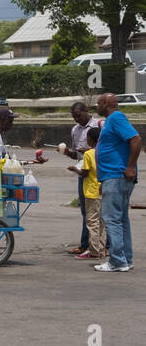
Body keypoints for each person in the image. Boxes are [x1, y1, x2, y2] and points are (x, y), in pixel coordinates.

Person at [93, 92, 140, 272]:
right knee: (120, 219)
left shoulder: (116, 117)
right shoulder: (112, 120)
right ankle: (125, 259)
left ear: (105, 103)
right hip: (113, 176)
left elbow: (135, 139)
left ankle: (117, 261)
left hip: (116, 175)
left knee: (111, 218)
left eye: (98, 103)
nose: (97, 106)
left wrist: (130, 167)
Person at [65, 102, 101, 255]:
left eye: (78, 116)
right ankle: (86, 244)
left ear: (86, 111)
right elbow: (76, 155)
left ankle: (100, 246)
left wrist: (91, 150)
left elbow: (105, 147)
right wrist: (67, 152)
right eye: (74, 117)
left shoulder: (98, 125)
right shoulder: (75, 130)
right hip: (83, 171)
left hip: (97, 173)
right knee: (85, 211)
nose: (76, 119)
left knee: (99, 212)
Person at [68, 126, 106, 260]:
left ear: (90, 139)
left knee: (92, 222)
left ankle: (93, 251)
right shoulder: (104, 151)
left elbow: (85, 173)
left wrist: (74, 169)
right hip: (104, 191)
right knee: (101, 222)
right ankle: (101, 249)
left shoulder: (89, 154)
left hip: (91, 192)